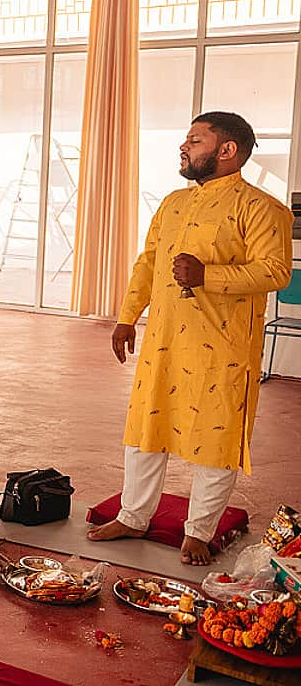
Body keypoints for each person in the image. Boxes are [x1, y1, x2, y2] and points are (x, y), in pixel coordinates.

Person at [87, 112, 293, 565]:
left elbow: (275, 271)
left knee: (215, 439)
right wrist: (126, 317)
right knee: (145, 431)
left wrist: (208, 276)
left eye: (195, 140)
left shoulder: (262, 208)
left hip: (222, 345)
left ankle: (199, 531)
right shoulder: (174, 203)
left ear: (226, 150)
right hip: (164, 339)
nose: (184, 146)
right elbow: (148, 262)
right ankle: (132, 515)